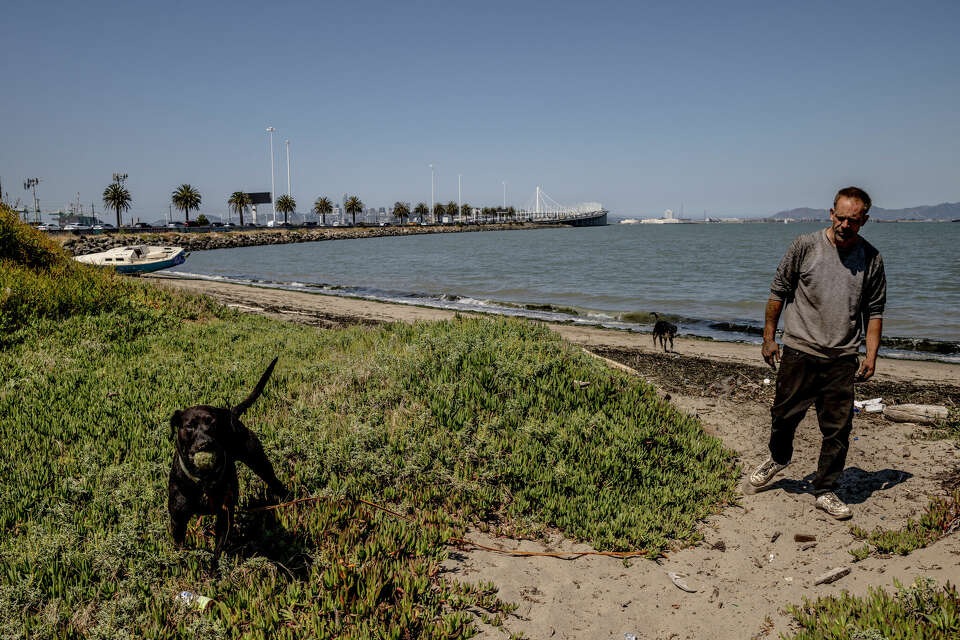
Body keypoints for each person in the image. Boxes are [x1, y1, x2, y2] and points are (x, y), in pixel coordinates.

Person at [749, 186, 886, 520]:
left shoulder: (872, 258)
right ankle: (779, 459)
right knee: (783, 417)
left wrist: (871, 355)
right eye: (840, 217)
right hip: (799, 350)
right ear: (831, 214)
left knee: (837, 429)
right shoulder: (805, 246)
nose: (844, 225)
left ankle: (825, 489)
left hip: (841, 358)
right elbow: (777, 292)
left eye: (852, 220)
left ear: (864, 220)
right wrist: (769, 338)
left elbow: (875, 311)